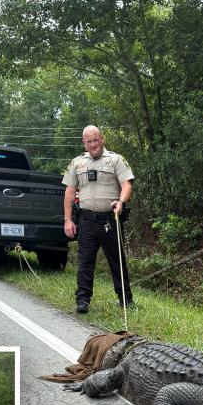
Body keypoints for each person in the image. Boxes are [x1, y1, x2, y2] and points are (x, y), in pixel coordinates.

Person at [62, 125, 135, 314]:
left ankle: (125, 299)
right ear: (84, 142)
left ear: (102, 138)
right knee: (85, 261)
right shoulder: (77, 163)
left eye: (96, 140)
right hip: (86, 219)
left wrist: (121, 201)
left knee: (116, 260)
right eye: (89, 141)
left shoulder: (116, 160)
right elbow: (69, 193)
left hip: (109, 220)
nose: (93, 144)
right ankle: (83, 300)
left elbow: (127, 185)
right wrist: (68, 220)